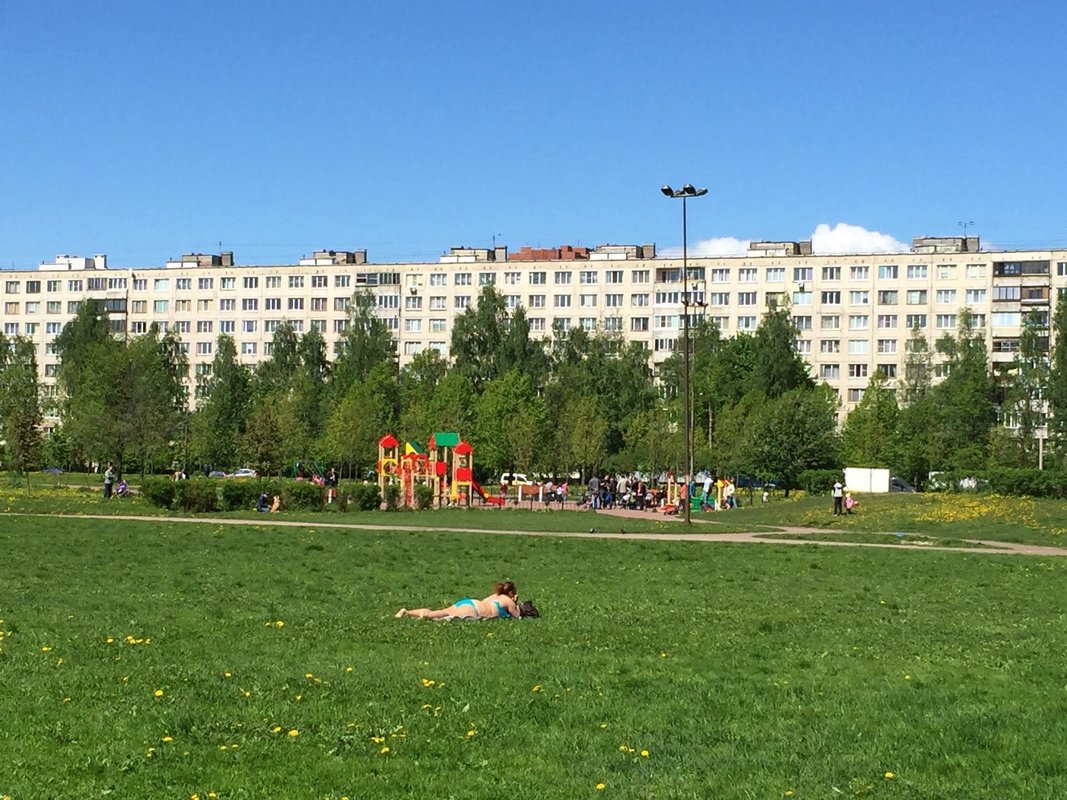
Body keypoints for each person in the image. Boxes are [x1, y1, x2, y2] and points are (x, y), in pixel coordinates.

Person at [396, 581, 523, 620]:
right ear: (511, 593)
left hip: (468, 602)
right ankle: (424, 617)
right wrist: (515, 603)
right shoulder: (508, 600)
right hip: (473, 610)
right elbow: (518, 616)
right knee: (444, 619)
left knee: (441, 612)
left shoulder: (494, 596)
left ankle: (407, 612)